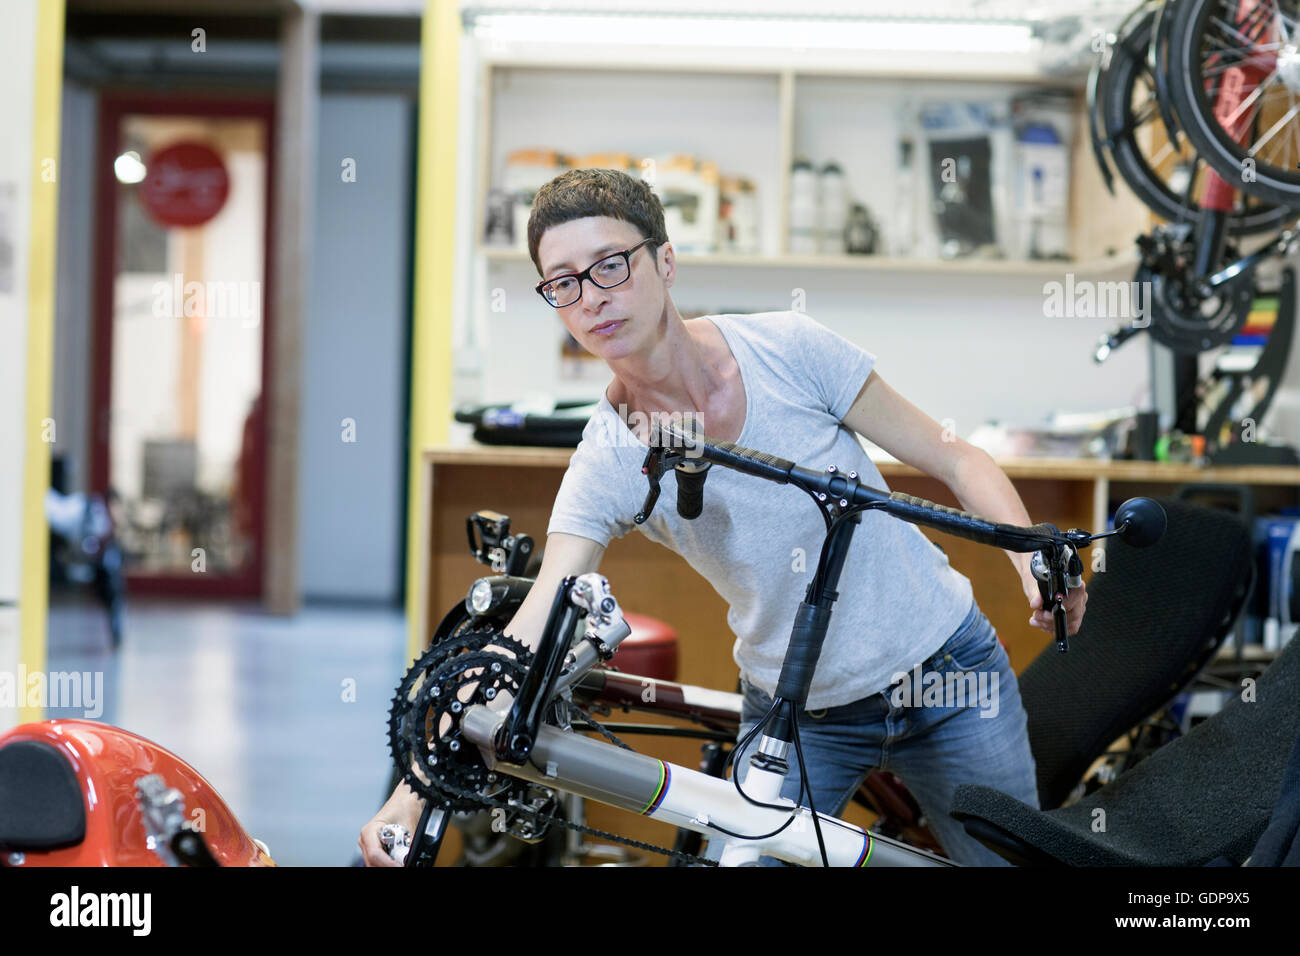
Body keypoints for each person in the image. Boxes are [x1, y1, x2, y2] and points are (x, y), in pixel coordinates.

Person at [360, 167, 1087, 867]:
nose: (590, 297)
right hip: (798, 714)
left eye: (610, 264)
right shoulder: (611, 456)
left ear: (665, 261)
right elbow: (530, 629)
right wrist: (411, 794)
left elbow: (957, 457)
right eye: (564, 283)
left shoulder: (790, 350)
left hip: (947, 673)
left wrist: (1030, 554)